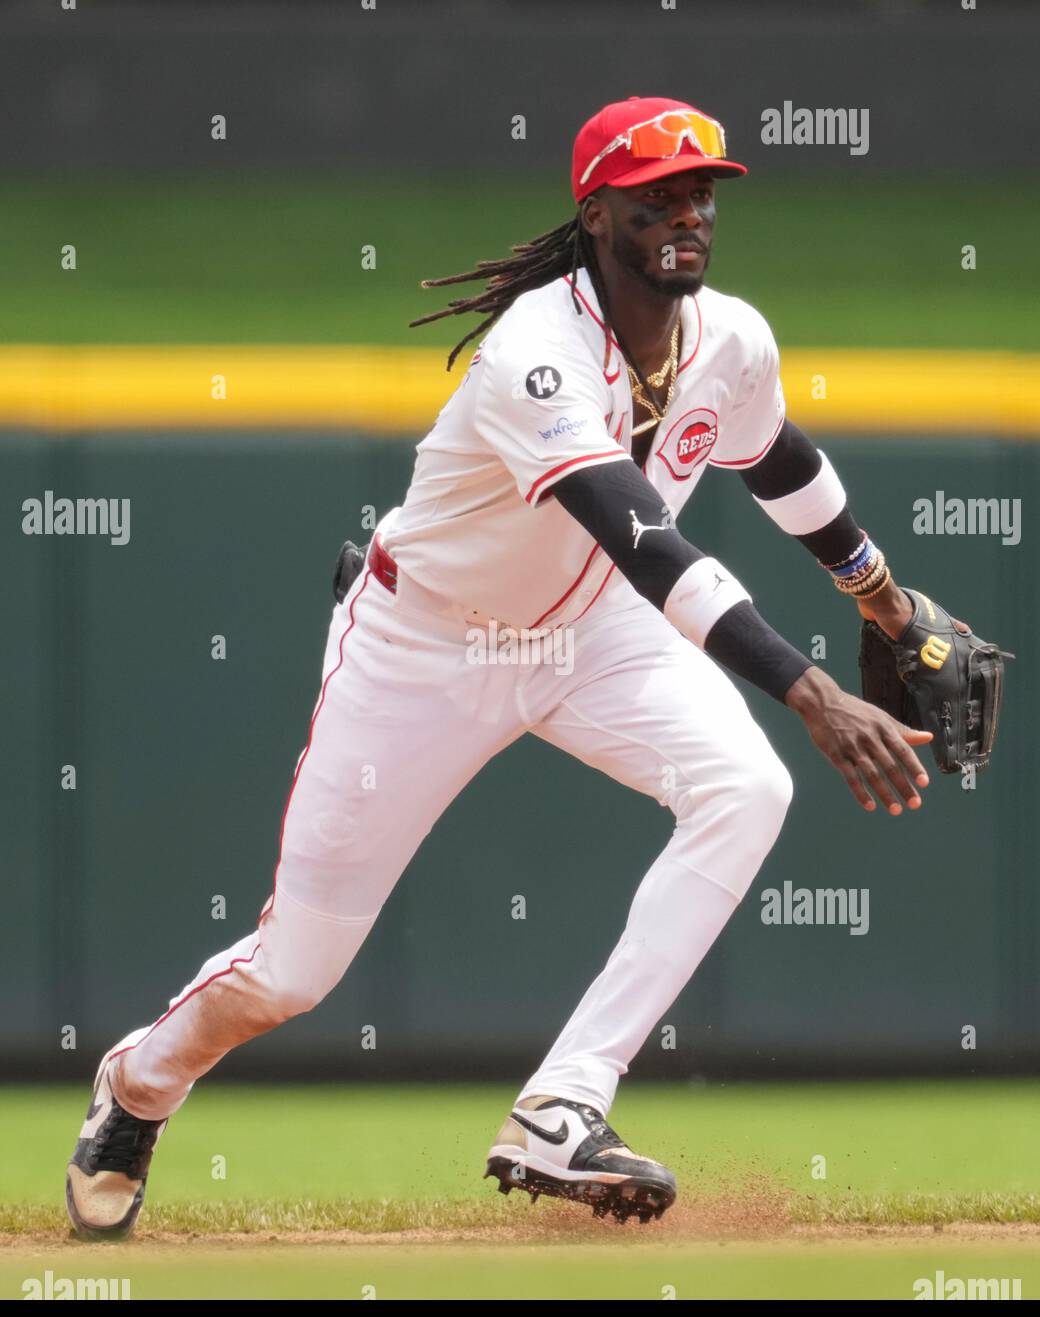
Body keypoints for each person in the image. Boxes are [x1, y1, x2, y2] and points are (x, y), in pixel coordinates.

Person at [67, 95, 955, 1237]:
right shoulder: (532, 352)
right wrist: (814, 690)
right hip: (427, 643)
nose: (686, 212)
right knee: (293, 971)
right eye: (655, 196)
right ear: (596, 213)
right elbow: (642, 538)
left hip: (592, 639)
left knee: (746, 787)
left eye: (700, 192)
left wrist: (882, 604)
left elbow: (781, 460)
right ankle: (138, 1087)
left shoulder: (728, 338)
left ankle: (563, 1102)